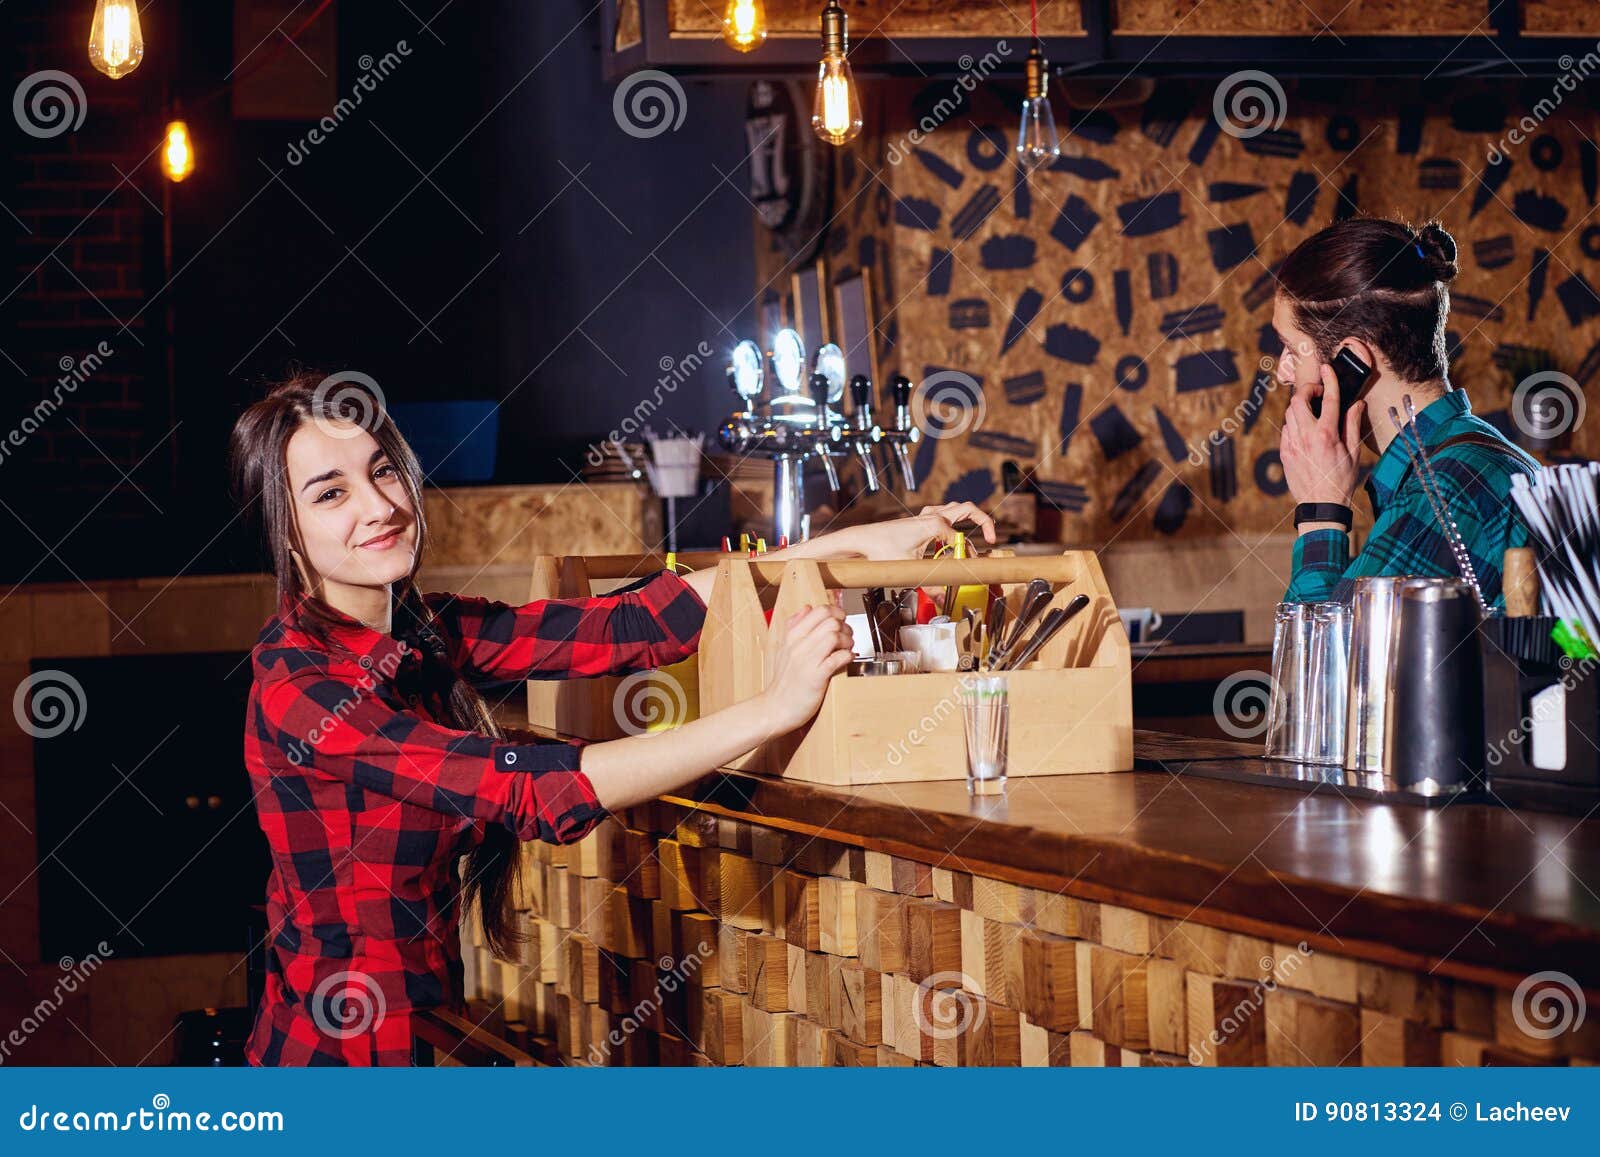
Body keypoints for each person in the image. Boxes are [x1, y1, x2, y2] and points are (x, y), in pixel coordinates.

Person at [229, 373, 994, 1065]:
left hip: (423, 1036)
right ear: (284, 532)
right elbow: (532, 790)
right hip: (335, 1063)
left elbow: (629, 623)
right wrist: (771, 709)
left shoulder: (422, 632)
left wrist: (862, 544)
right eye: (330, 493)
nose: (380, 506)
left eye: (382, 470)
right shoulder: (300, 686)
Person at [1273, 216, 1538, 607]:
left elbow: (1333, 665)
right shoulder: (1463, 464)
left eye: (1293, 350)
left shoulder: (1449, 490)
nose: (1281, 372)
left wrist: (1320, 512)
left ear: (1353, 360)